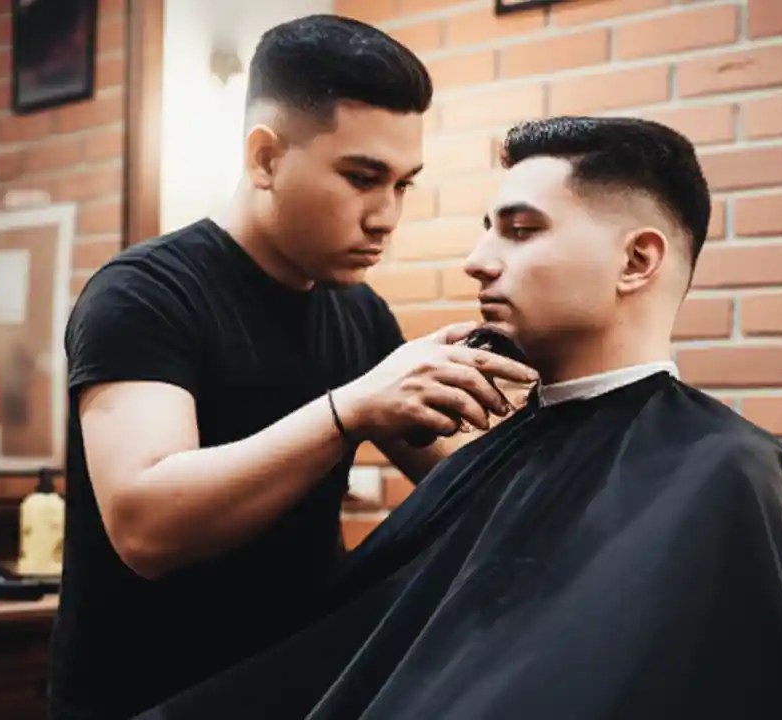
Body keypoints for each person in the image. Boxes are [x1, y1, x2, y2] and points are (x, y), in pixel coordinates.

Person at [137, 116, 782, 720]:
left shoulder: (727, 477)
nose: (476, 260)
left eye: (520, 230)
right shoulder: (504, 456)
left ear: (637, 261)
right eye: (486, 228)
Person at [47, 15, 539, 720]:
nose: (386, 216)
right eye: (363, 178)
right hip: (143, 702)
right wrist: (349, 411)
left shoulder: (361, 316)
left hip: (294, 696)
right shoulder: (144, 294)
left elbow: (464, 478)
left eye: (403, 185)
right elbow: (146, 526)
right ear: (265, 158)